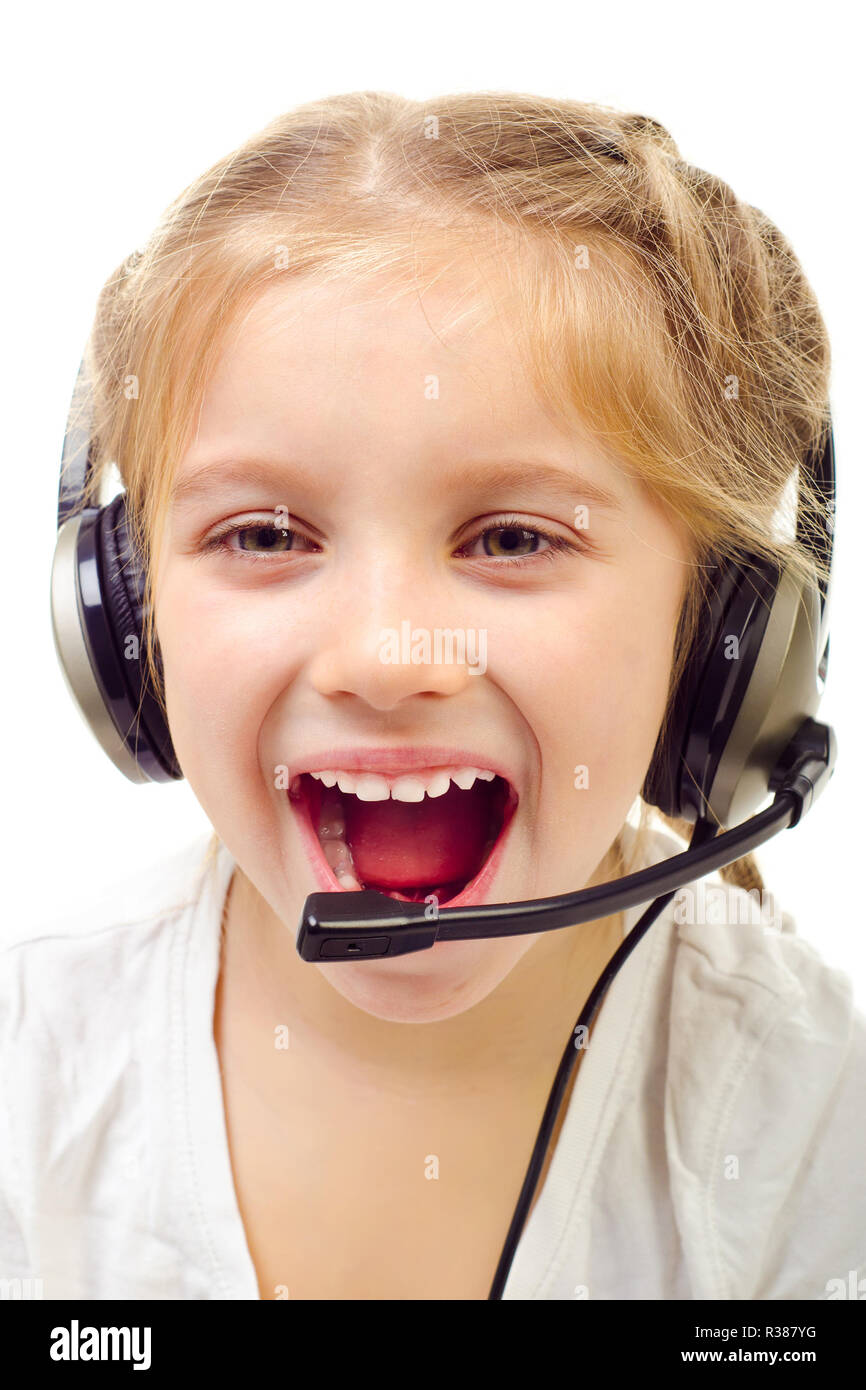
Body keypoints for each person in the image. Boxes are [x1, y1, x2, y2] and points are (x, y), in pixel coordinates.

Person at [2, 91, 863, 1301]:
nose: (385, 653)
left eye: (510, 538)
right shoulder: (31, 1068)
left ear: (717, 633)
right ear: (123, 622)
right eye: (262, 534)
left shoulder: (812, 1120)